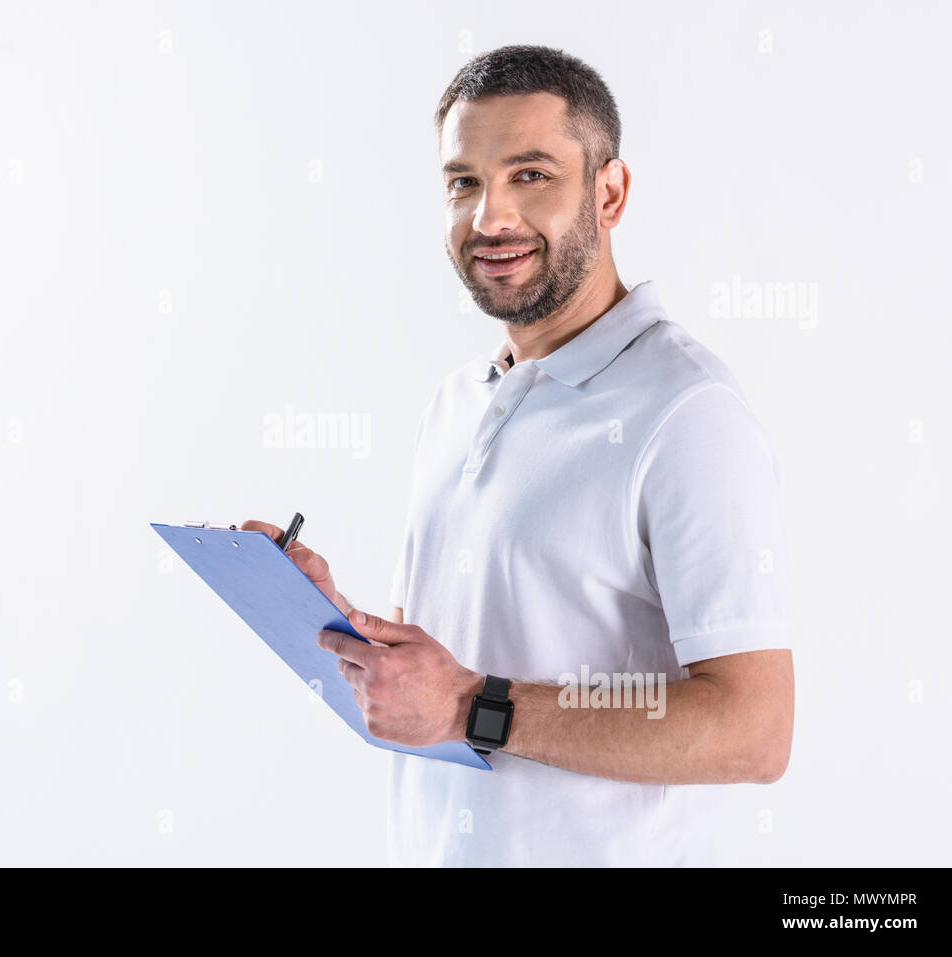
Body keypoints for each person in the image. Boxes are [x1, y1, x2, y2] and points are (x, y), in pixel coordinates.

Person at [244, 43, 795, 867]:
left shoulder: (687, 411)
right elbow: (458, 668)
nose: (490, 217)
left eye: (531, 174)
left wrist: (475, 706)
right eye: (464, 181)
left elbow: (755, 730)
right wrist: (339, 627)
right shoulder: (457, 402)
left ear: (609, 193)